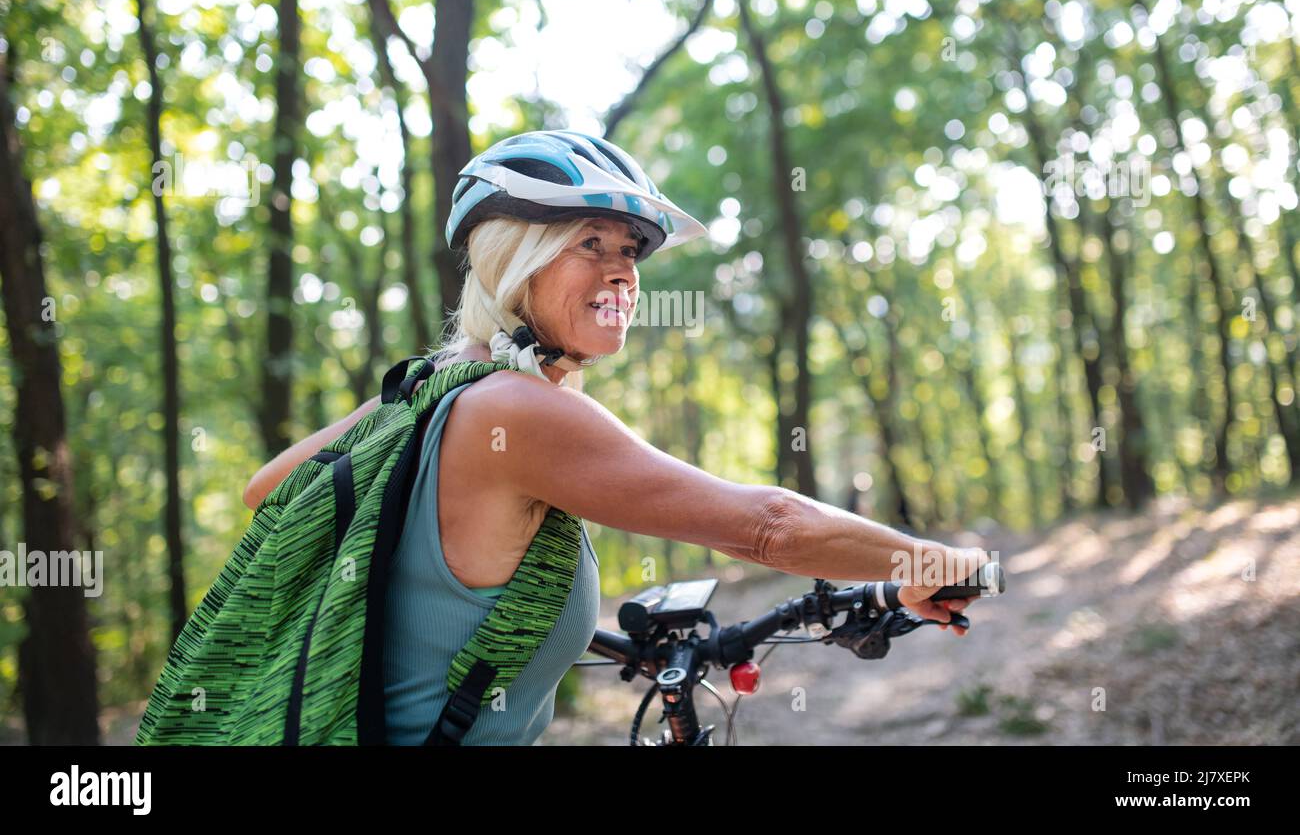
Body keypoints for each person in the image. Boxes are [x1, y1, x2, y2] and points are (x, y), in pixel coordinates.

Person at [242, 129, 989, 745]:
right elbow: (769, 529)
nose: (621, 271)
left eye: (629, 250)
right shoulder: (515, 410)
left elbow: (267, 490)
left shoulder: (431, 389)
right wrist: (942, 561)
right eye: (589, 243)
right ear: (515, 258)